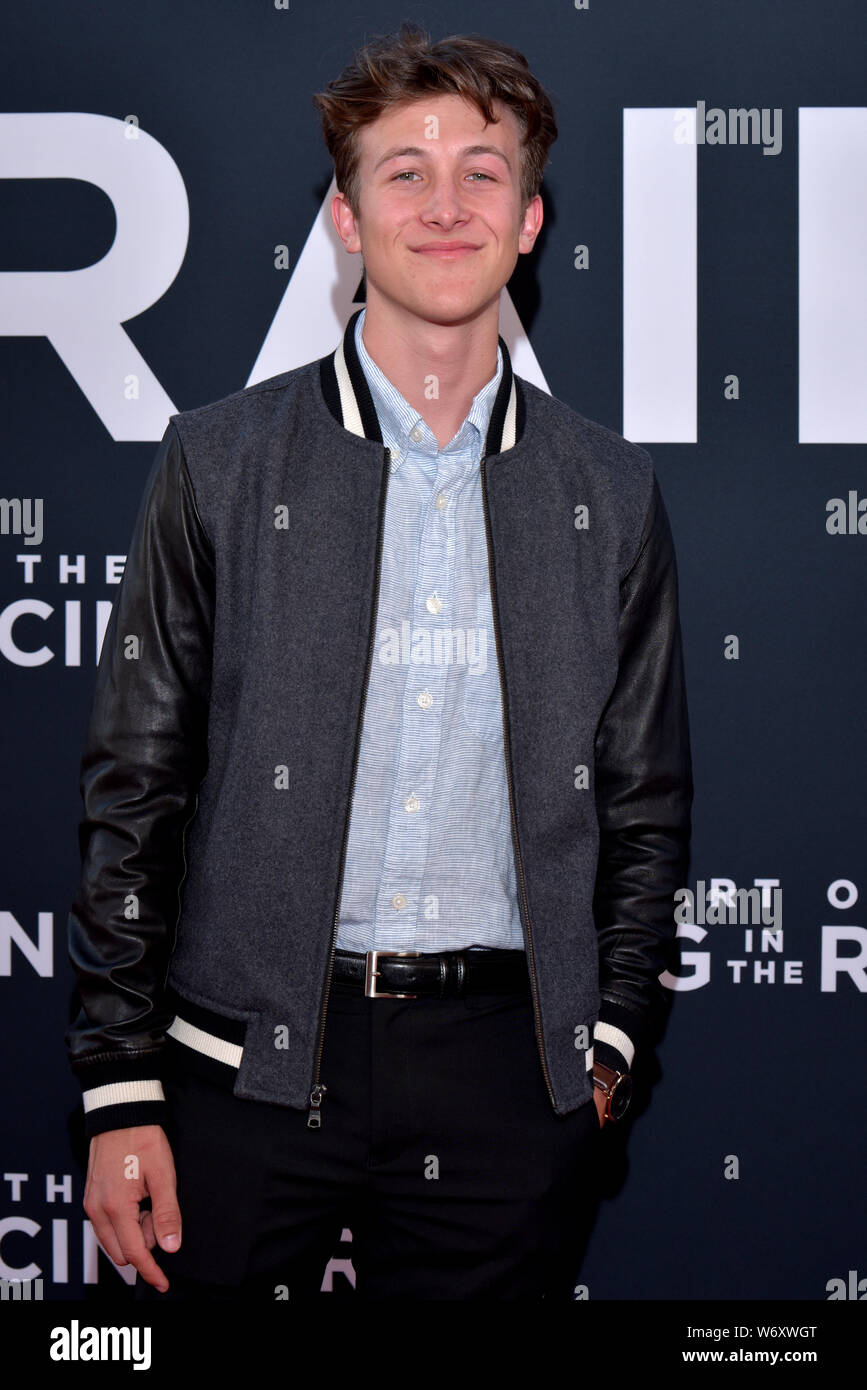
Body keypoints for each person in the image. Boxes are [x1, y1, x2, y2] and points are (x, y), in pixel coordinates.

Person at [65, 22, 693, 1301]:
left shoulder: (608, 491)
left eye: (482, 169)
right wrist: (118, 1085)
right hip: (239, 1063)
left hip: (511, 1073)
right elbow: (134, 791)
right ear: (346, 219)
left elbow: (646, 805)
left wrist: (611, 1040)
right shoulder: (219, 460)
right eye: (403, 171)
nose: (445, 202)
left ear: (528, 219)